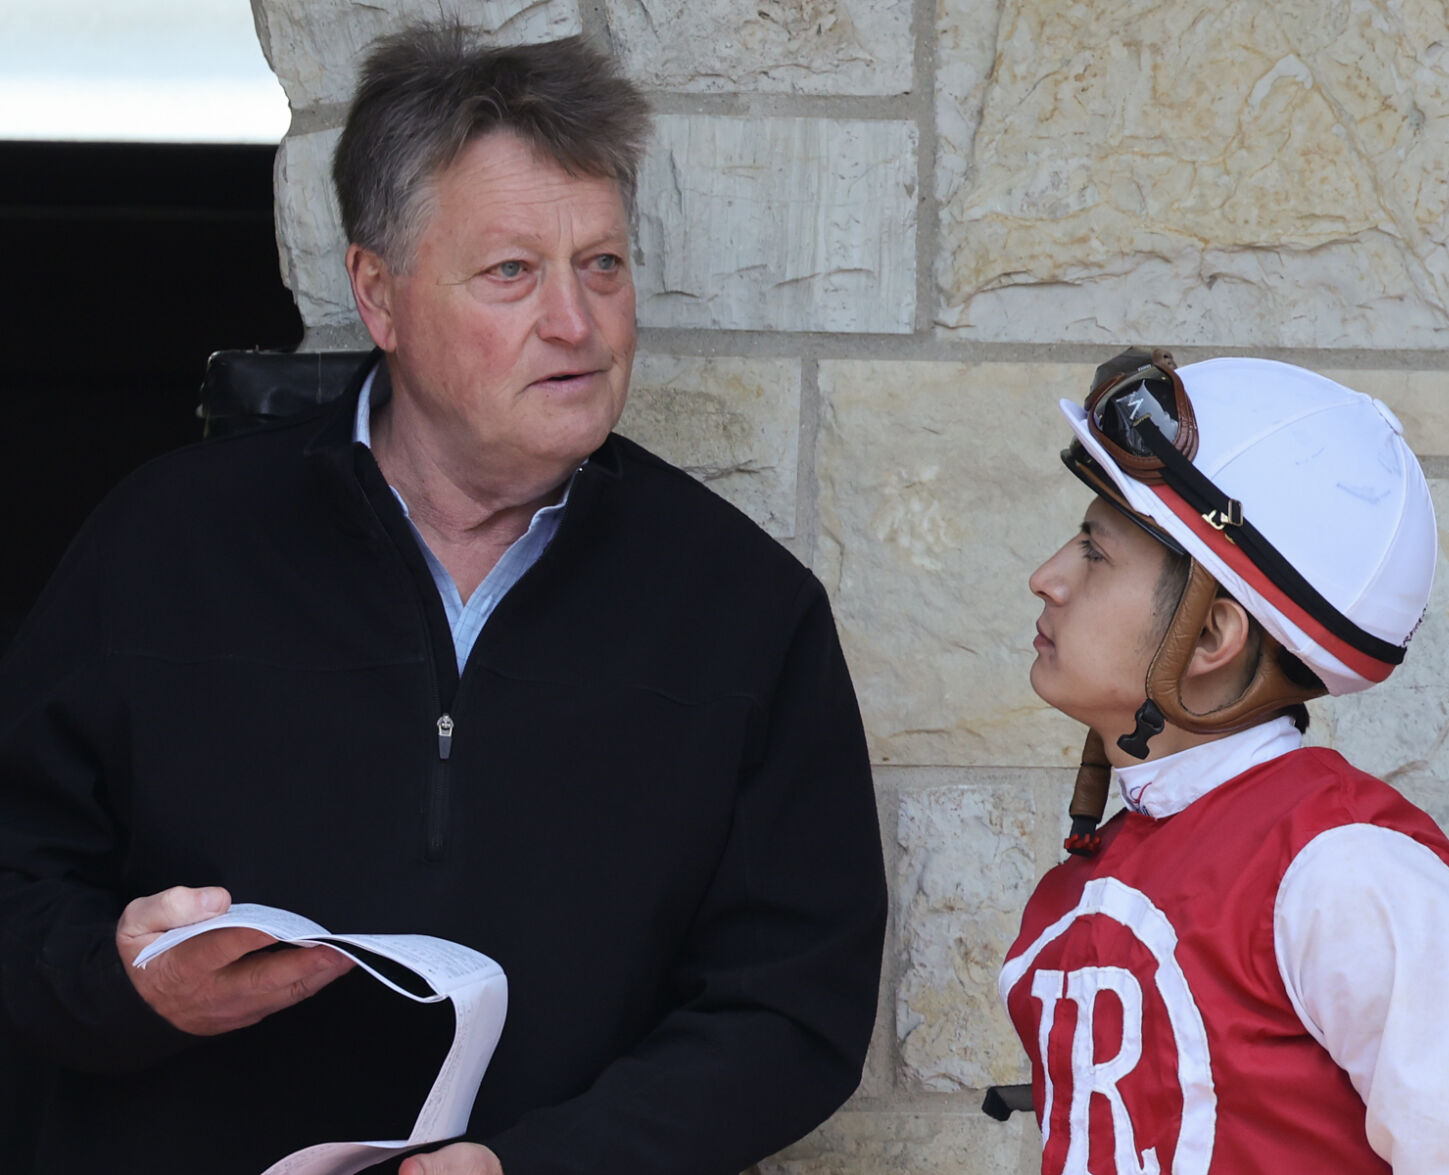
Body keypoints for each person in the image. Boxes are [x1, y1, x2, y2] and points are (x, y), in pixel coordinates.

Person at [0, 24, 885, 1175]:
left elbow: (791, 1008)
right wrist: (115, 980)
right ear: (379, 293)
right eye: (512, 272)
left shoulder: (744, 610)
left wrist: (548, 1164)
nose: (578, 322)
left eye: (602, 264)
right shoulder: (166, 545)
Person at [999, 349, 1449, 1173]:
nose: (1045, 578)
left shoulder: (1341, 869)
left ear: (1211, 635)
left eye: (1094, 553)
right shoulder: (1107, 864)